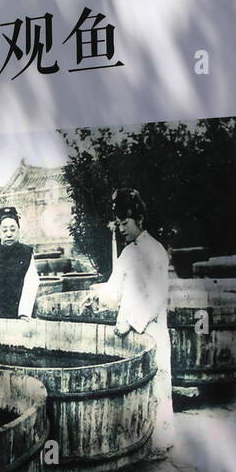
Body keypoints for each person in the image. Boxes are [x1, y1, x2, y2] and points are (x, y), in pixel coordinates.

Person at [96, 187, 174, 456]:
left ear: (140, 220)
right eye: (118, 223)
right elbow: (113, 288)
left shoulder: (156, 251)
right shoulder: (127, 253)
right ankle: (137, 443)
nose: (121, 228)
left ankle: (159, 445)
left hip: (150, 329)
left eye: (126, 223)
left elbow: (156, 297)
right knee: (136, 389)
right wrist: (97, 299)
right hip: (129, 330)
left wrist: (132, 322)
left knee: (157, 384)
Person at [0, 206, 38, 320]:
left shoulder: (26, 253)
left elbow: (31, 284)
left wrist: (24, 312)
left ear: (18, 231)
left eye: (13, 229)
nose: (9, 234)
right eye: (4, 230)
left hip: (22, 315)